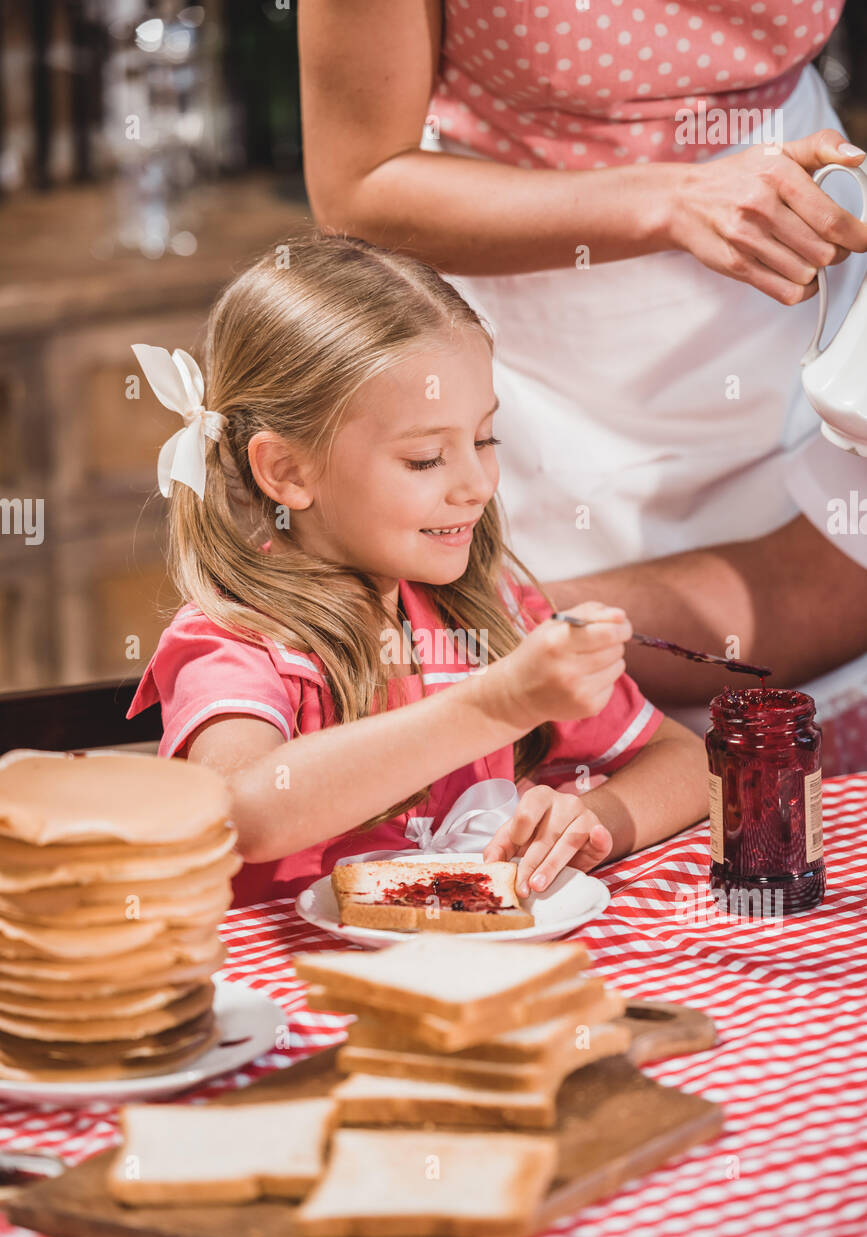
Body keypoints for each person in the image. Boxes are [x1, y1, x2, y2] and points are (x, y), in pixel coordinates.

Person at [299, 1, 867, 770]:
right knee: (525, 728)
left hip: (797, 288)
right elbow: (358, 184)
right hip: (525, 312)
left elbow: (819, 590)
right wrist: (670, 198)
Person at [127, 235, 707, 907]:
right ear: (287, 471)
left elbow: (687, 760)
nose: (475, 485)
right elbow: (244, 812)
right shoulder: (236, 641)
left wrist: (593, 821)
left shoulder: (487, 614)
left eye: (483, 440)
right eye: (426, 458)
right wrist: (496, 705)